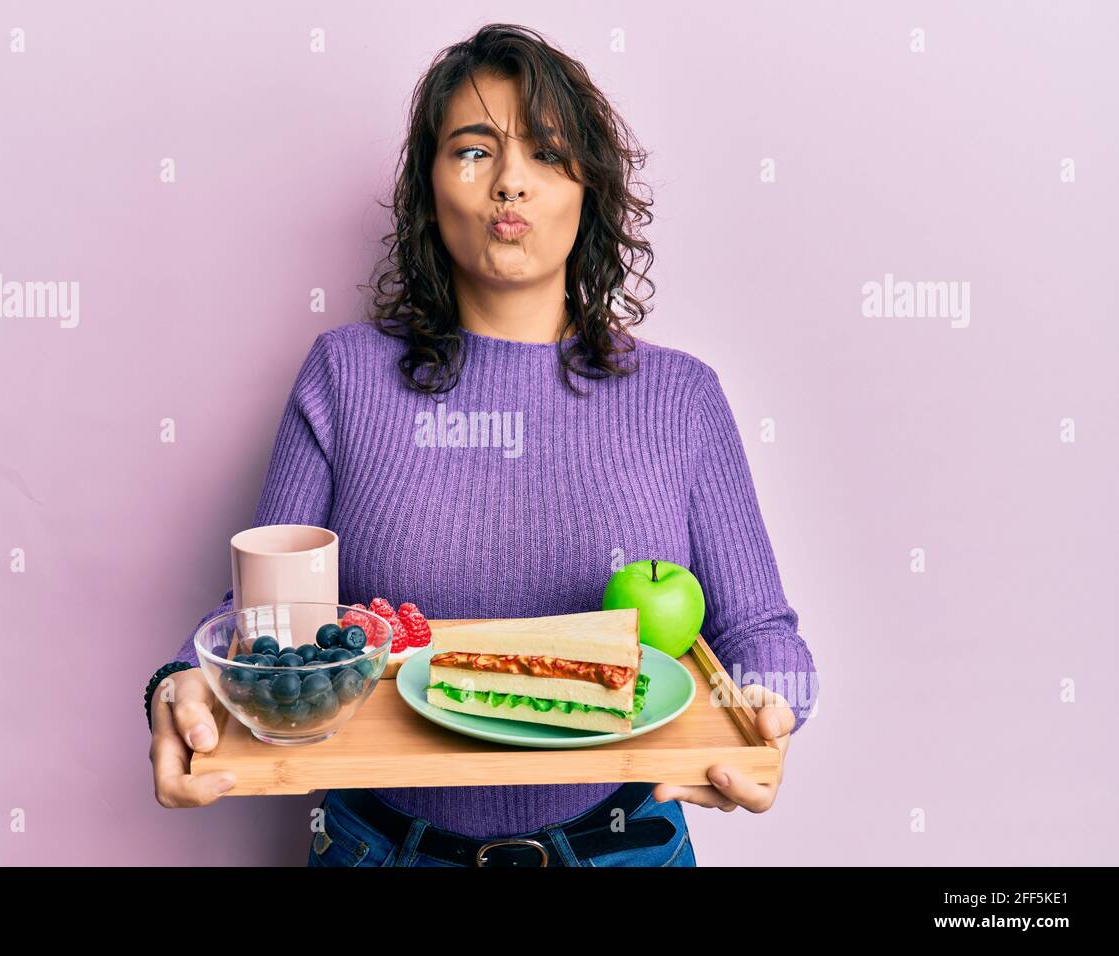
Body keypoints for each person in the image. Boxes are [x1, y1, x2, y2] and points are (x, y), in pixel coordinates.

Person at [145, 23, 817, 867]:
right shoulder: (345, 377)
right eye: (472, 151)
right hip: (384, 851)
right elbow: (258, 622)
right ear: (430, 190)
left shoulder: (681, 398)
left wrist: (771, 709)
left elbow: (761, 633)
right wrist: (175, 684)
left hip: (624, 850)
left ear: (590, 190)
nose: (510, 183)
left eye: (545, 153)